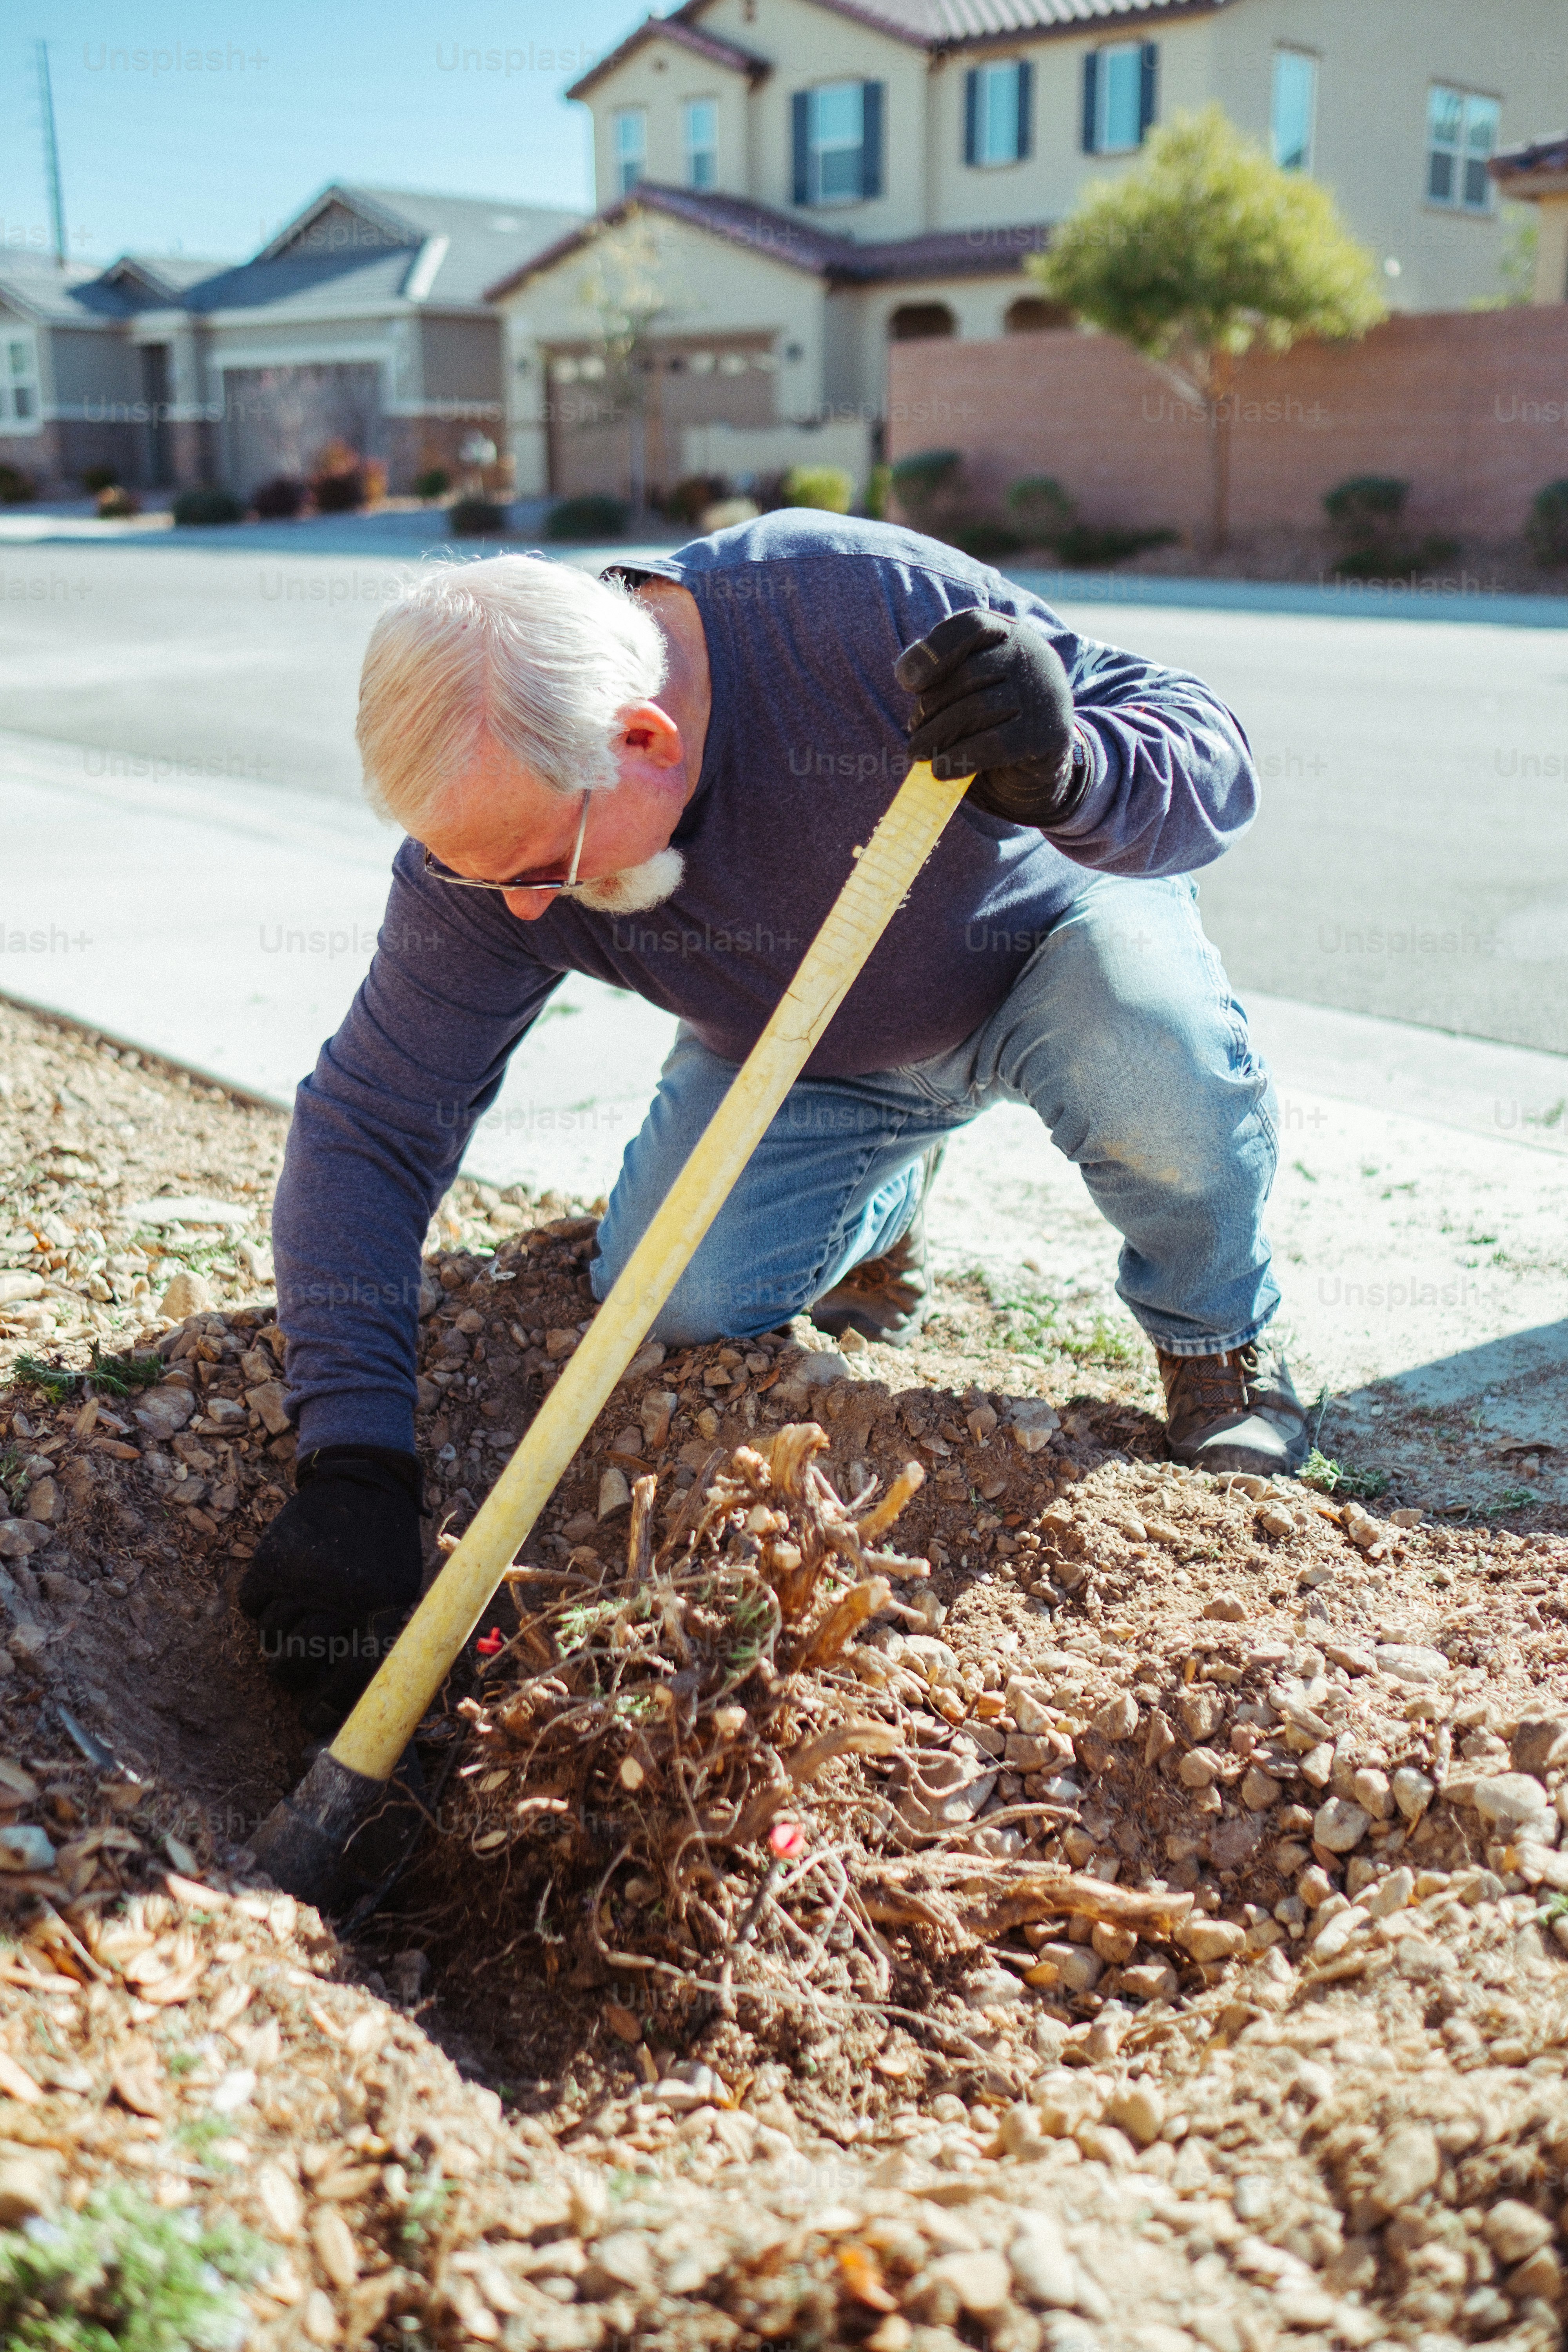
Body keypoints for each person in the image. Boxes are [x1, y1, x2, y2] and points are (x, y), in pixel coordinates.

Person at [240, 510, 1304, 1729]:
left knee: (1153, 1072)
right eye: (493, 879)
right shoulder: (493, 848)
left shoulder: (851, 606)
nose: (527, 915)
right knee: (676, 1290)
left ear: (643, 741)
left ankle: (1219, 1338)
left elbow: (1213, 757)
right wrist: (355, 1464)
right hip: (814, 1052)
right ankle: (887, 1207)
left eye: (544, 869)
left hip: (1054, 957)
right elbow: (373, 1122)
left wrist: (1074, 768)